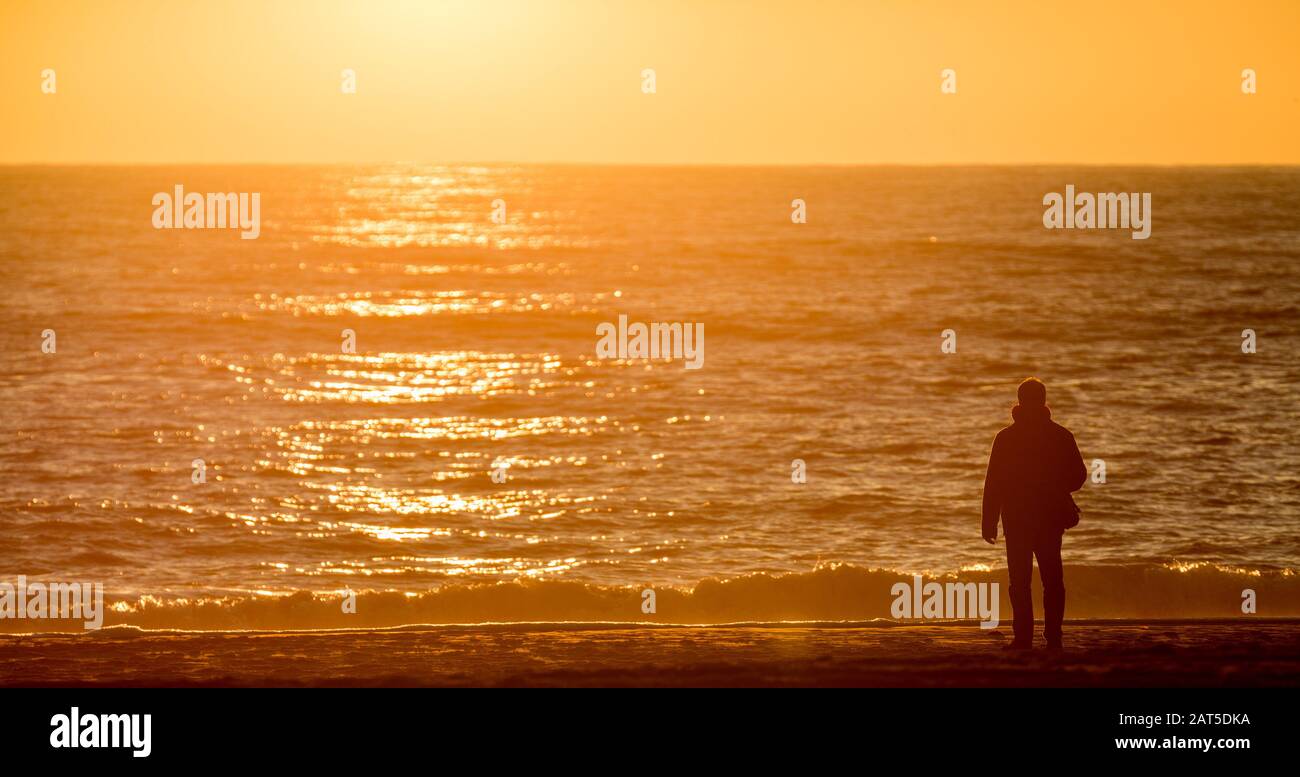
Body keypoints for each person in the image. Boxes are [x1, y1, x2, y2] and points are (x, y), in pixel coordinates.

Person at [981, 377, 1086, 650]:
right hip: (1046, 519)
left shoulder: (1006, 438)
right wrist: (1056, 485)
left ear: (1022, 401)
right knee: (1050, 581)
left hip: (1020, 520)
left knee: (1022, 583)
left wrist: (989, 522)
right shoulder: (1060, 436)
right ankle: (1052, 638)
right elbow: (1079, 476)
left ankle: (1026, 639)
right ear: (1042, 401)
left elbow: (994, 484)